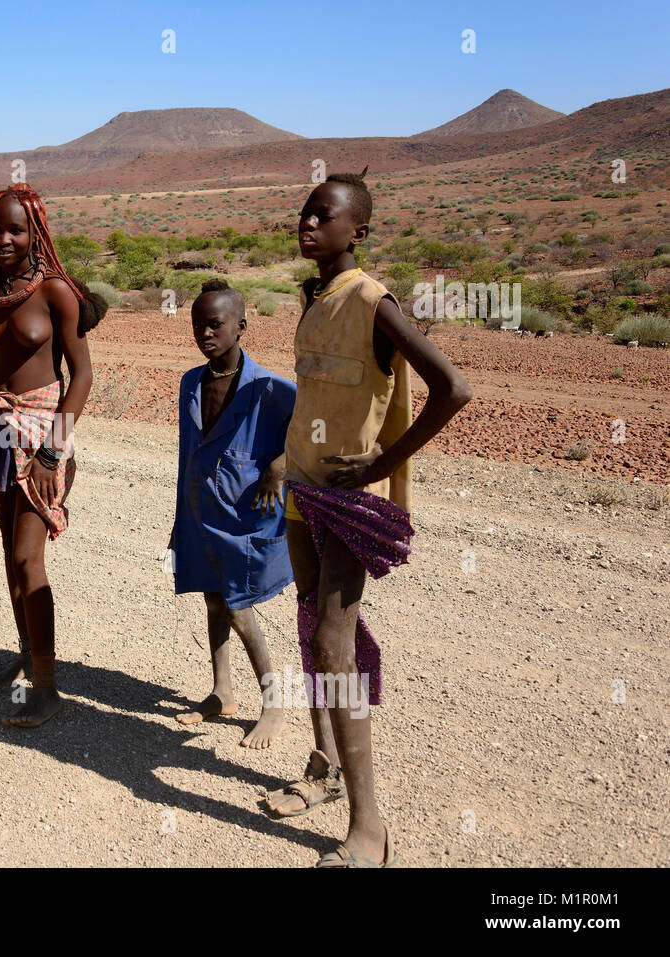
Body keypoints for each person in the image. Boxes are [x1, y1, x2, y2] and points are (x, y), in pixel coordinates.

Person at [260, 170, 473, 867]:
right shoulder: (314, 295)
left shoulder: (371, 301)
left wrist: (383, 465)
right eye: (305, 213)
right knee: (308, 622)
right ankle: (322, 766)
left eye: (324, 215)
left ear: (360, 231)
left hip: (347, 499)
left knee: (333, 644)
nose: (308, 224)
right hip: (301, 488)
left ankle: (369, 826)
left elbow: (453, 388)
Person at [0, 183, 106, 728]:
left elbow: (81, 375)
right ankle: (26, 649)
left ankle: (48, 687)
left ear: (35, 230)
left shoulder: (57, 291)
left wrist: (54, 453)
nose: (6, 238)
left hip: (40, 434)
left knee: (26, 557)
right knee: (8, 557)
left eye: (17, 228)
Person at [168, 279, 295, 749]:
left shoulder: (270, 387)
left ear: (241, 326)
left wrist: (277, 470)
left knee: (240, 608)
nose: (205, 333)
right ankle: (222, 692)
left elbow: (310, 434)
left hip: (245, 515)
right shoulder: (190, 383)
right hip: (202, 512)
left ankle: (274, 702)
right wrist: (179, 521)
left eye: (215, 324)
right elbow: (188, 454)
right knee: (213, 601)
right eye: (198, 324)